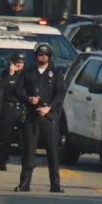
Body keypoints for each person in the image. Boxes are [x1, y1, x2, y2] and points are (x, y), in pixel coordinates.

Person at [17, 44, 65, 193]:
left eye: (45, 55)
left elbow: (60, 94)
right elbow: (18, 90)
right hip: (32, 116)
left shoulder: (56, 74)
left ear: (49, 57)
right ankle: (24, 183)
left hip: (49, 117)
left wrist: (48, 107)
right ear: (35, 56)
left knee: (52, 152)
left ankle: (55, 184)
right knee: (29, 151)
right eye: (39, 55)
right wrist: (28, 99)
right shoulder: (28, 73)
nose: (42, 57)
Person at [0, 53, 27, 172]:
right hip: (9, 108)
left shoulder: (25, 75)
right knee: (5, 137)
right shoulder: (5, 74)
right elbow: (1, 88)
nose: (19, 65)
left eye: (22, 62)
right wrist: (10, 74)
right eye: (17, 62)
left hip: (22, 108)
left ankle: (25, 162)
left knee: (23, 138)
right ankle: (2, 162)